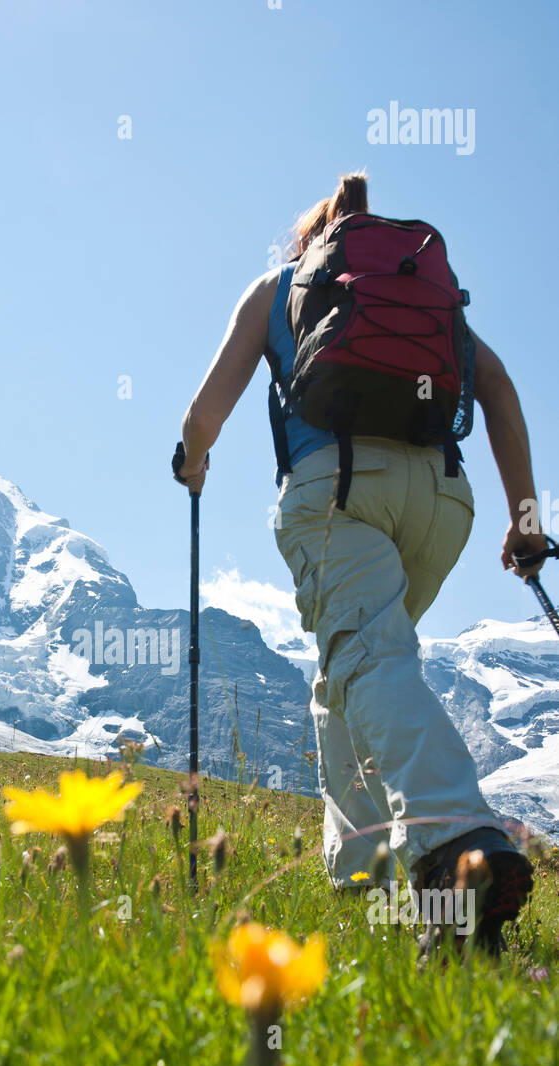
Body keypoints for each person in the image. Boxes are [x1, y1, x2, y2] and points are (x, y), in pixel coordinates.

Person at [176, 171, 547, 956]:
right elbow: (503, 395)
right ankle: (363, 877)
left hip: (338, 491)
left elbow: (202, 416)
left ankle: (457, 848)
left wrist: (193, 461)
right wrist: (528, 526)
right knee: (345, 677)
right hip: (443, 500)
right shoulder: (424, 290)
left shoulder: (281, 288)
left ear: (309, 243)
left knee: (368, 657)